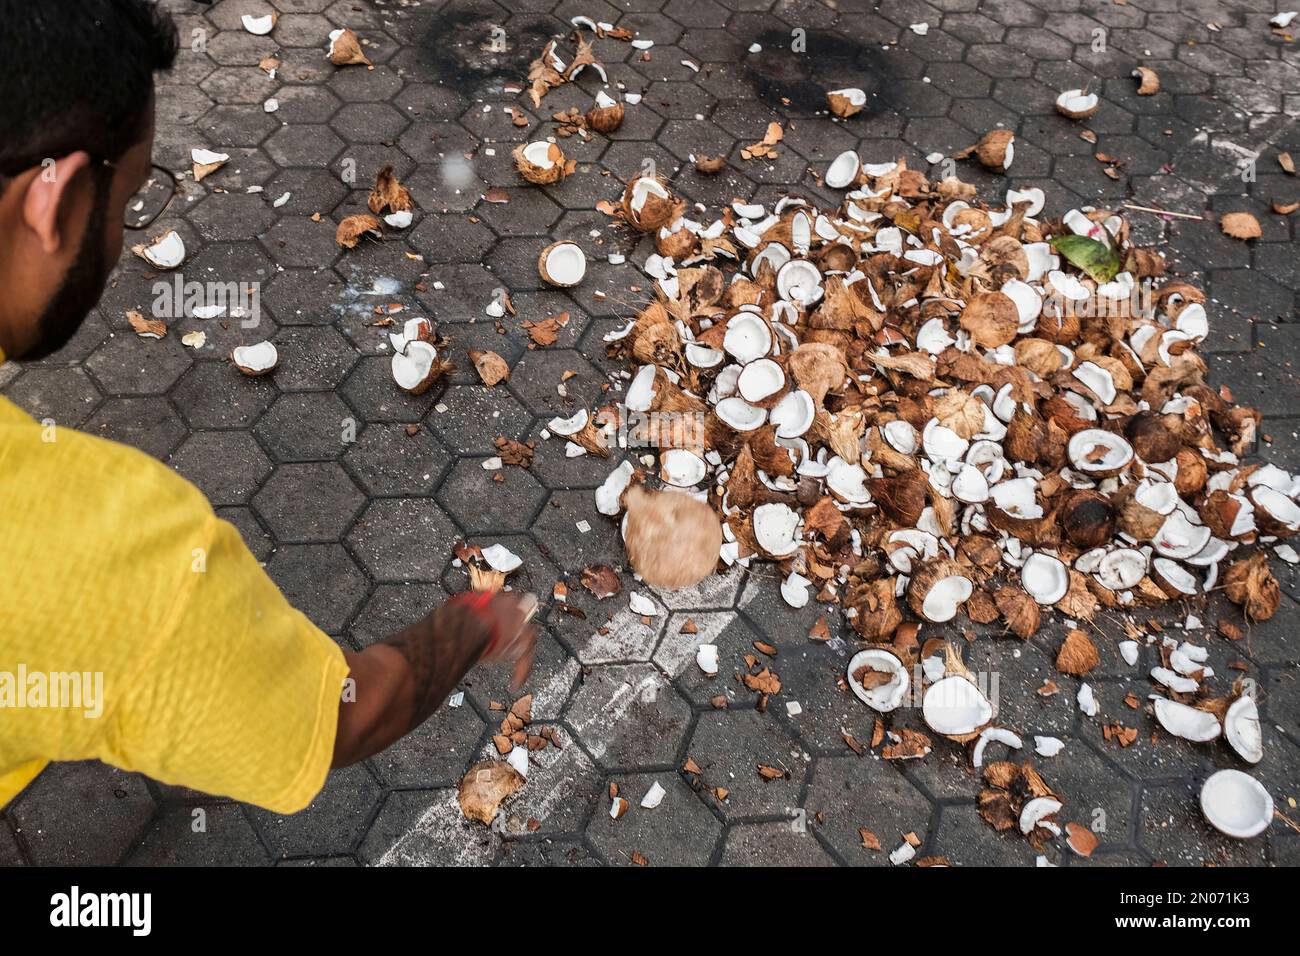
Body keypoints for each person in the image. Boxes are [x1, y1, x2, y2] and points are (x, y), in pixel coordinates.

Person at [0, 0, 537, 814]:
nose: (117, 238)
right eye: (128, 201)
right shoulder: (98, 560)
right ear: (56, 203)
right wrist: (474, 623)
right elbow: (340, 714)